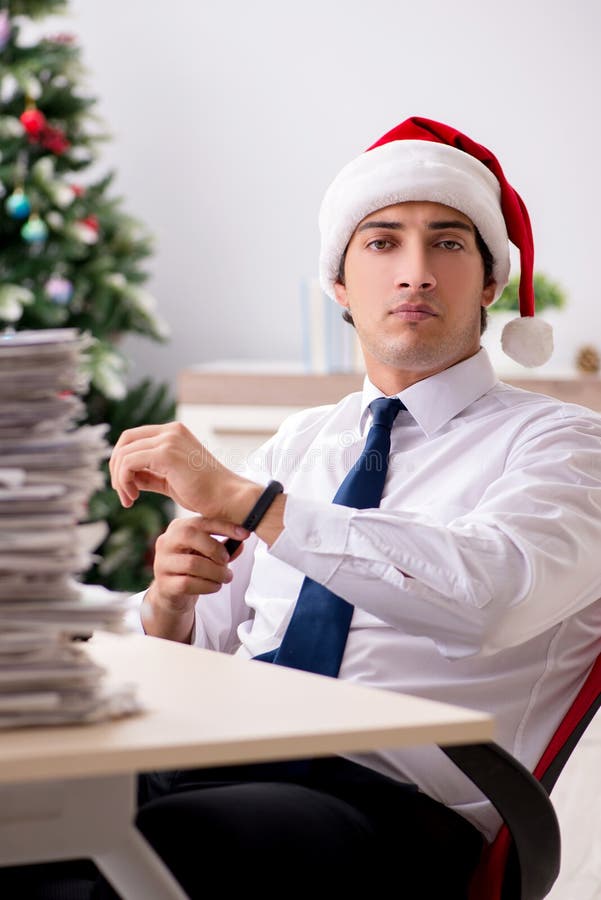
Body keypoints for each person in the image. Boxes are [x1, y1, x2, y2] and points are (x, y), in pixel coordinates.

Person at [103, 116, 601, 898]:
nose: (415, 273)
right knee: (40, 817)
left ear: (490, 281)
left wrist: (252, 502)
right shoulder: (300, 443)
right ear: (338, 285)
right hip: (223, 762)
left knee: (163, 845)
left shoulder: (565, 446)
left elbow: (488, 597)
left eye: (446, 242)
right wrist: (170, 605)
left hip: (397, 812)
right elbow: (204, 640)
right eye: (381, 243)